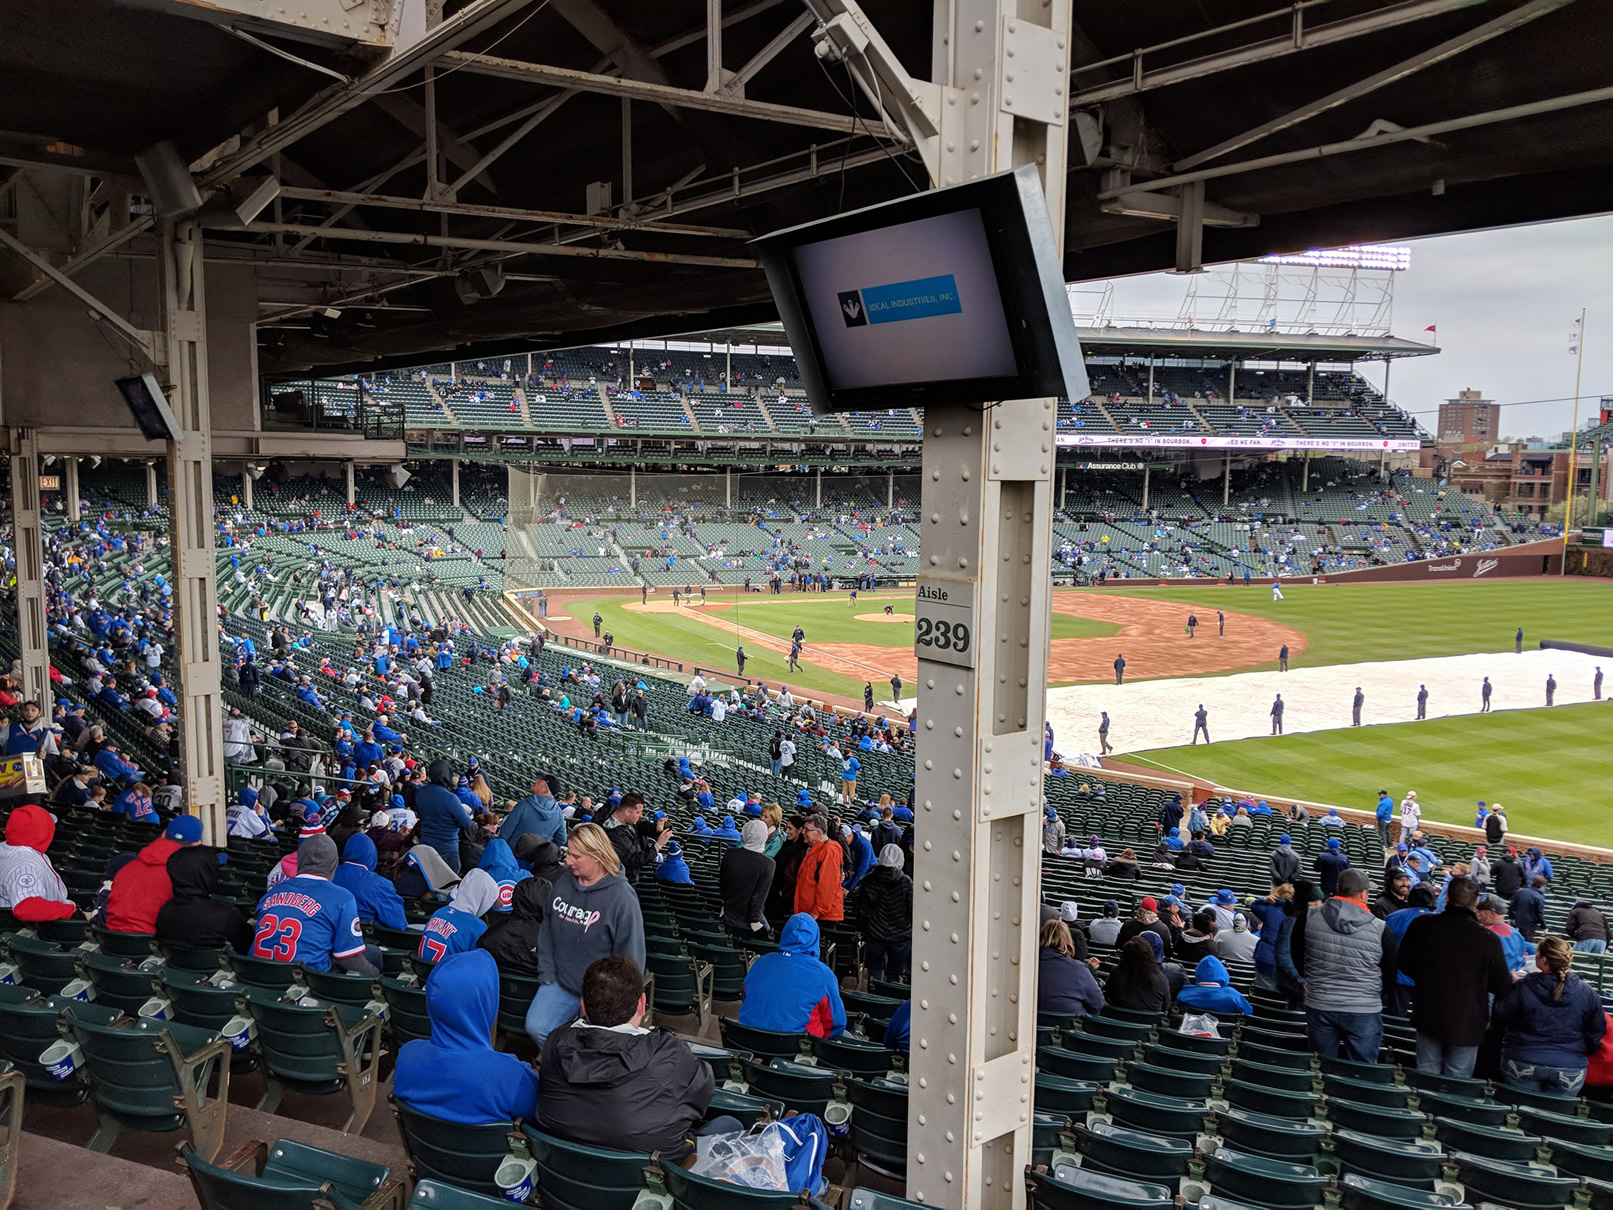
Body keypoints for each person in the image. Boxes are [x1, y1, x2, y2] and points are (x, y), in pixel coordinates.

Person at [537, 955, 726, 1158]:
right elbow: (702, 1094)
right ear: (642, 1004)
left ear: (583, 1005)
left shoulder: (554, 1043)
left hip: (566, 1167)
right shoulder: (670, 1053)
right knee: (728, 1124)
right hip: (653, 1174)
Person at [527, 823, 646, 1046]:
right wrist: (547, 970)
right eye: (567, 853)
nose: (568, 861)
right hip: (561, 981)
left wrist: (623, 1002)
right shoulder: (564, 881)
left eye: (576, 856)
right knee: (537, 1026)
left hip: (601, 992)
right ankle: (565, 1065)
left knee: (598, 1047)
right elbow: (547, 925)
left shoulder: (623, 899)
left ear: (597, 856)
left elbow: (631, 960)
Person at [394, 950, 539, 1125]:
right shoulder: (512, 1077)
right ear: (486, 1001)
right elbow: (538, 1121)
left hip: (422, 1151)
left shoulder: (406, 1056)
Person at [1396, 876, 1511, 1077]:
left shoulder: (1423, 925)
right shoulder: (1487, 939)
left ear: (1447, 897)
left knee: (1428, 1073)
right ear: (1475, 903)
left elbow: (1405, 963)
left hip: (1432, 1012)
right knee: (1455, 1079)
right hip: (1464, 1019)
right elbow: (1502, 985)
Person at [1303, 868, 1397, 1063]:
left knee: (1321, 1066)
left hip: (1320, 1001)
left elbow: (1298, 957)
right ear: (1363, 893)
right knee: (1360, 1072)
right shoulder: (1380, 927)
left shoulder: (1308, 916)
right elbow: (1390, 972)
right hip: (1364, 1006)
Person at [1493, 936, 1606, 1096]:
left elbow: (1501, 1015)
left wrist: (1508, 987)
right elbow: (1596, 1031)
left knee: (1523, 1114)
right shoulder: (1587, 992)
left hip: (1523, 1059)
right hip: (1570, 1066)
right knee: (1555, 1119)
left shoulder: (1523, 987)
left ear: (1543, 960)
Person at [252, 835, 377, 975]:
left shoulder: (273, 892)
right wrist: (378, 977)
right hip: (307, 981)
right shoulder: (343, 898)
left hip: (259, 974)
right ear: (333, 863)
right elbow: (349, 959)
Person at [739, 913, 846, 1037]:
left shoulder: (761, 962)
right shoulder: (825, 975)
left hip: (747, 1039)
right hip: (797, 1050)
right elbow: (836, 1024)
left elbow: (746, 998)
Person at [105, 814, 204, 934]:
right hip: (151, 944)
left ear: (163, 834)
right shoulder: (185, 876)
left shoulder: (127, 867)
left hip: (110, 939)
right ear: (196, 845)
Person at [155, 846, 253, 953]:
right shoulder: (227, 915)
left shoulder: (165, 911)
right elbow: (248, 948)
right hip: (218, 968)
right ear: (206, 873)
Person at [853, 844, 913, 983]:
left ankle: (874, 998)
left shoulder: (870, 880)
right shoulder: (906, 883)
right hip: (900, 936)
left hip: (875, 934)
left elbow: (862, 910)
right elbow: (912, 910)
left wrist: (863, 928)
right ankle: (888, 1001)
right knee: (893, 974)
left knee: (874, 971)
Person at [419, 867, 500, 961]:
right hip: (449, 974)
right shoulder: (478, 927)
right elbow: (479, 964)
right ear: (482, 899)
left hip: (423, 972)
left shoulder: (439, 912)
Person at [333, 832, 409, 930]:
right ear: (372, 854)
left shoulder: (328, 874)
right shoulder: (380, 884)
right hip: (365, 940)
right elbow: (399, 923)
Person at [416, 758, 478, 874]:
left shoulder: (420, 793)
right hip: (447, 849)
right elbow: (466, 823)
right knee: (449, 885)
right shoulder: (450, 798)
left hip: (425, 846)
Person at [1038, 920, 1104, 1018]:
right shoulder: (1079, 969)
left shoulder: (1029, 966)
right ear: (1067, 940)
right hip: (1070, 1027)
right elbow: (1097, 1004)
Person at [720, 819, 775, 933]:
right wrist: (755, 922)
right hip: (749, 920)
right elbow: (759, 897)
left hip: (728, 913)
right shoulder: (768, 864)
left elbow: (723, 884)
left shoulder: (729, 853)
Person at [794, 814, 844, 922]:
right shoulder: (815, 850)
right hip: (810, 915)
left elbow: (827, 886)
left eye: (807, 830)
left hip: (820, 918)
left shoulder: (829, 851)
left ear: (818, 833)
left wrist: (815, 915)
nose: (803, 832)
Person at [501, 775, 567, 857]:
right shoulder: (558, 813)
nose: (536, 780)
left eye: (541, 780)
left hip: (511, 856)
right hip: (537, 860)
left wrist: (501, 853)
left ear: (545, 790)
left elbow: (505, 832)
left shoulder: (523, 805)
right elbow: (561, 839)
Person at [1104, 935, 1170, 1014]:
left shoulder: (1115, 973)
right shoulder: (1161, 978)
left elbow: (1108, 995)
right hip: (1149, 1024)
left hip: (1116, 1021)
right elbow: (1165, 1006)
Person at [1178, 956, 1253, 1016]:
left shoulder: (1184, 994)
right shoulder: (1233, 995)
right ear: (1223, 973)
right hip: (1227, 1034)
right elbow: (1249, 1012)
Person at [1511, 875, 1548, 942]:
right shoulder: (1539, 898)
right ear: (1542, 886)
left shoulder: (1520, 892)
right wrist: (1544, 926)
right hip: (1529, 926)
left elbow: (1512, 906)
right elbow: (1539, 913)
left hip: (1516, 921)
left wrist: (1511, 917)